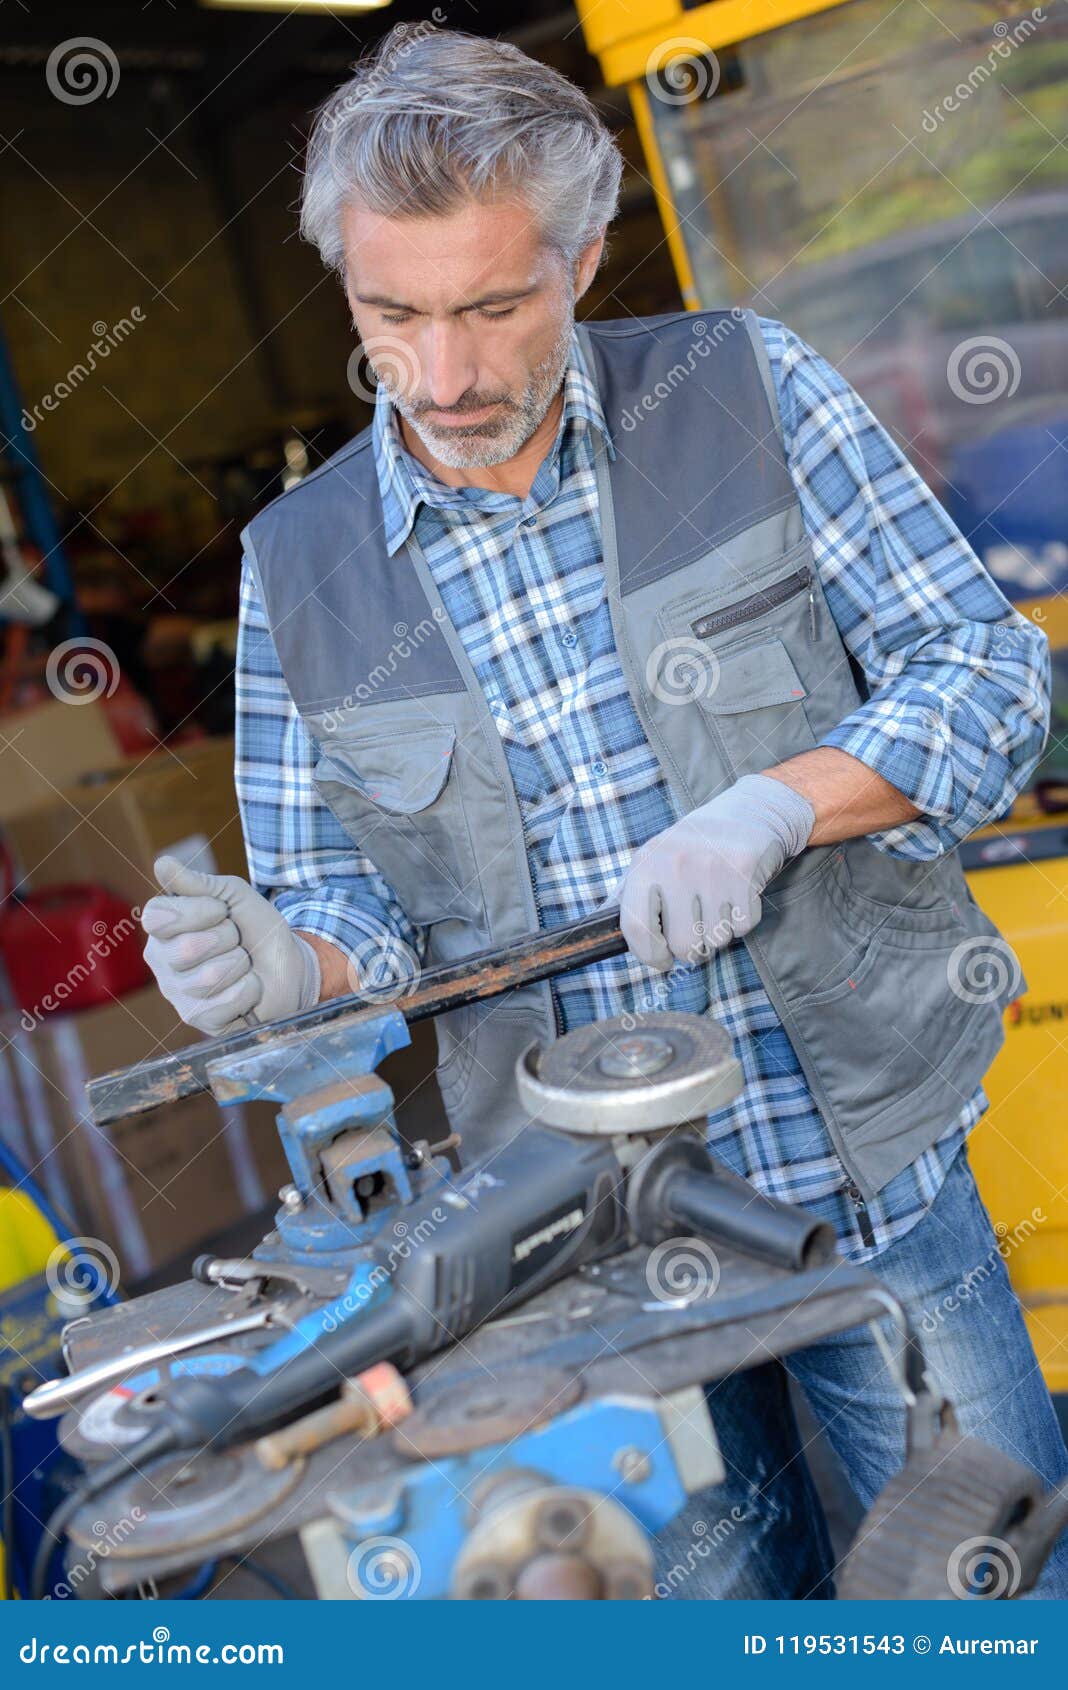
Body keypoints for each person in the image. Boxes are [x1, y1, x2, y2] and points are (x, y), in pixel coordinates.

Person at [141, 27, 1066, 1598]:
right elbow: (347, 910)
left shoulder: (747, 392)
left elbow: (985, 671)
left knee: (996, 1596)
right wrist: (288, 969)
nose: (446, 377)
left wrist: (778, 806)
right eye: (395, 316)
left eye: (498, 306)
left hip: (868, 1182)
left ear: (581, 258)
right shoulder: (298, 570)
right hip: (581, 1266)